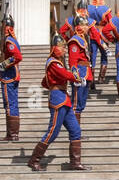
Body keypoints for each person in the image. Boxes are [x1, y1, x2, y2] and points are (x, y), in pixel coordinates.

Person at [27, 34, 90, 172]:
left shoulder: (57, 62)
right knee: (53, 132)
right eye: (62, 47)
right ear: (55, 48)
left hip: (63, 98)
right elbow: (65, 75)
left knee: (75, 130)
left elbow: (44, 82)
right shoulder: (53, 62)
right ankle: (34, 160)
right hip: (58, 99)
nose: (64, 50)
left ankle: (75, 162)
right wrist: (76, 78)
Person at [0, 13, 22, 141]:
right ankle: (12, 133)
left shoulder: (9, 40)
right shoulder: (10, 39)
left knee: (10, 104)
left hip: (9, 76)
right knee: (11, 104)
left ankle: (12, 134)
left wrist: (4, 64)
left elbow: (17, 57)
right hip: (10, 75)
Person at [67, 16, 93, 126]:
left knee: (81, 104)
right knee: (76, 105)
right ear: (79, 27)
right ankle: (75, 133)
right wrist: (75, 76)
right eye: (85, 25)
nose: (87, 27)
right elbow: (73, 61)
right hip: (80, 74)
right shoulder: (75, 41)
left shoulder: (83, 39)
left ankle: (77, 131)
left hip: (86, 72)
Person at [86, 0, 112, 82]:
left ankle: (91, 78)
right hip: (103, 35)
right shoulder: (106, 9)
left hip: (92, 34)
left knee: (92, 56)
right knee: (104, 55)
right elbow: (111, 23)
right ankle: (101, 78)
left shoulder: (88, 8)